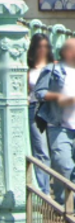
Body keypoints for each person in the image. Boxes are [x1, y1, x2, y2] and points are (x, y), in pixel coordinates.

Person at [37, 39, 75, 202]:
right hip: (59, 125)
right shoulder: (53, 69)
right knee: (63, 165)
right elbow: (39, 92)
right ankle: (62, 203)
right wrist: (59, 97)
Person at [28, 33, 55, 195]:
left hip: (53, 110)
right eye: (39, 46)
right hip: (34, 109)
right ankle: (43, 192)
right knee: (41, 151)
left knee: (55, 152)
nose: (42, 50)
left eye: (46, 46)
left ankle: (56, 189)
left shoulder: (55, 66)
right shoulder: (27, 68)